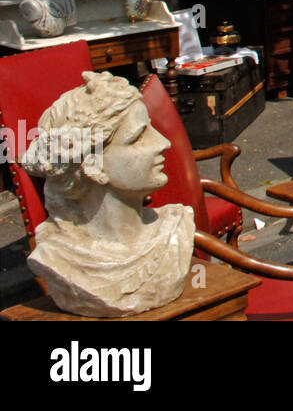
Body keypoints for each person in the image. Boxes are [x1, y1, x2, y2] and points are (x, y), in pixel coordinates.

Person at [20, 72, 194, 317]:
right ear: (93, 165)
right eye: (137, 138)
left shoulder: (175, 228)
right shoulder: (57, 258)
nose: (163, 142)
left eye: (151, 129)